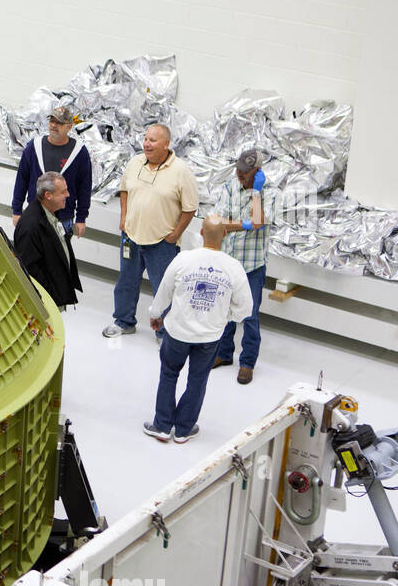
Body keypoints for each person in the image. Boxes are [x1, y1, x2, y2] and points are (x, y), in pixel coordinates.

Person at [143, 218, 252, 443]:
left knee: (169, 374)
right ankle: (183, 429)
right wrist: (225, 317)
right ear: (224, 234)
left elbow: (164, 291)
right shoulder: (233, 267)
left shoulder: (183, 259)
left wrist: (156, 315)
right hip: (210, 336)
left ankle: (162, 426)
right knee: (198, 380)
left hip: (177, 332)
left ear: (201, 232)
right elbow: (245, 309)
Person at [104, 123, 199, 338]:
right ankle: (124, 321)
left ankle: (165, 332)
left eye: (153, 141)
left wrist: (176, 234)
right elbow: (125, 190)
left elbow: (190, 207)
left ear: (166, 144)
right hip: (131, 237)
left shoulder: (181, 171)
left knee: (164, 289)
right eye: (146, 139)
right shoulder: (136, 162)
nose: (147, 144)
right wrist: (123, 217)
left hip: (162, 244)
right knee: (126, 283)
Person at [203, 148, 278, 385]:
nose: (240, 175)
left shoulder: (270, 193)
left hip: (253, 265)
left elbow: (258, 222)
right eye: (238, 170)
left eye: (245, 172)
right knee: (224, 311)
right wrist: (243, 224)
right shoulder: (229, 187)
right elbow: (217, 222)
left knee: (250, 315)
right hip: (229, 262)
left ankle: (247, 362)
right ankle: (224, 354)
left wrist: (256, 193)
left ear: (258, 172)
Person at [12, 105, 93, 240]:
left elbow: (84, 187)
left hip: (63, 219)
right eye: (52, 121)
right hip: (34, 216)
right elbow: (22, 179)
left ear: (69, 126)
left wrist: (81, 217)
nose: (54, 125)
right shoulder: (34, 147)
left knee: (58, 259)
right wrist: (17, 210)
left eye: (60, 123)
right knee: (32, 258)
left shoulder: (79, 152)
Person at [14, 172, 82, 309]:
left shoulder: (50, 212)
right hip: (46, 301)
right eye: (63, 192)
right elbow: (30, 270)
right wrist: (51, 296)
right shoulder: (30, 226)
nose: (68, 195)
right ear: (48, 195)